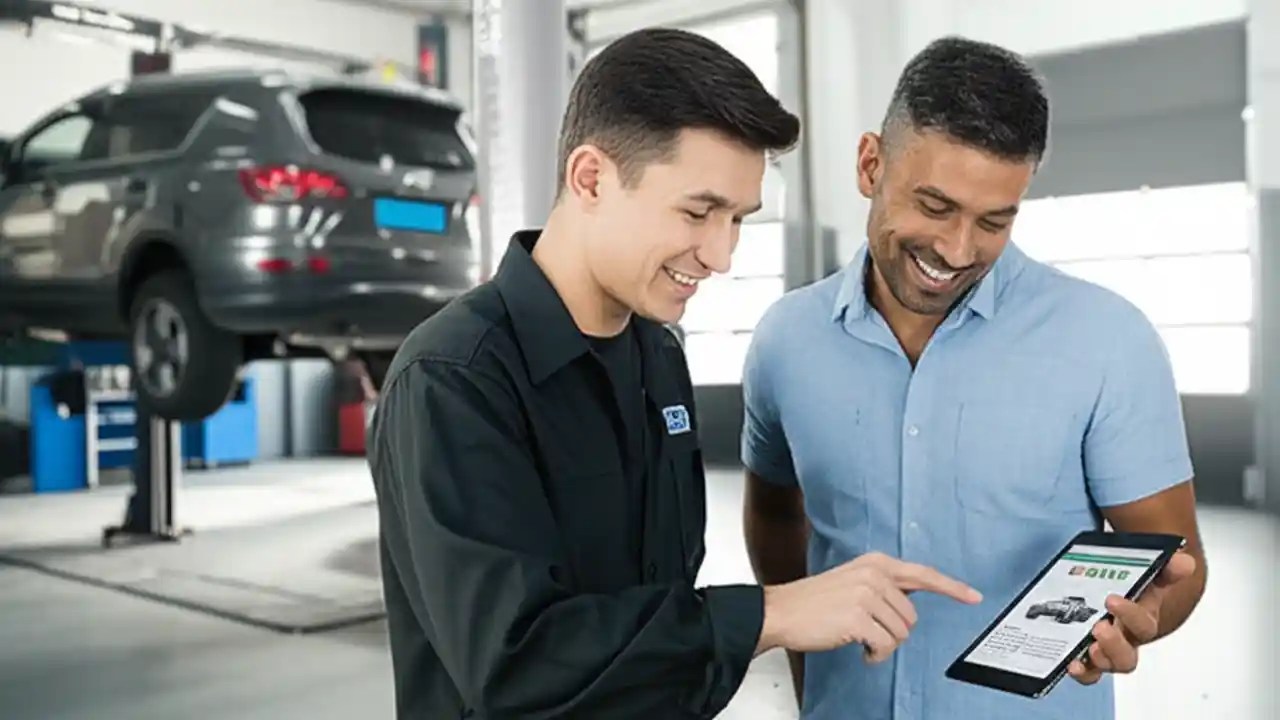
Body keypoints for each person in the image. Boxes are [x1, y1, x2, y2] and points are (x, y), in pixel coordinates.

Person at [368, 27, 983, 720]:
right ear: (591, 178)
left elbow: (664, 606)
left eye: (739, 219)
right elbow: (516, 666)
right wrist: (768, 615)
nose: (720, 254)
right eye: (698, 212)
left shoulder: (657, 356)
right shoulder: (454, 378)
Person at [741, 36, 1208, 720]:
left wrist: (1143, 617)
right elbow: (778, 516)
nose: (958, 250)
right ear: (871, 164)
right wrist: (806, 664)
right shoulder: (785, 340)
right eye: (934, 207)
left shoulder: (1109, 340)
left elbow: (1177, 566)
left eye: (994, 221)